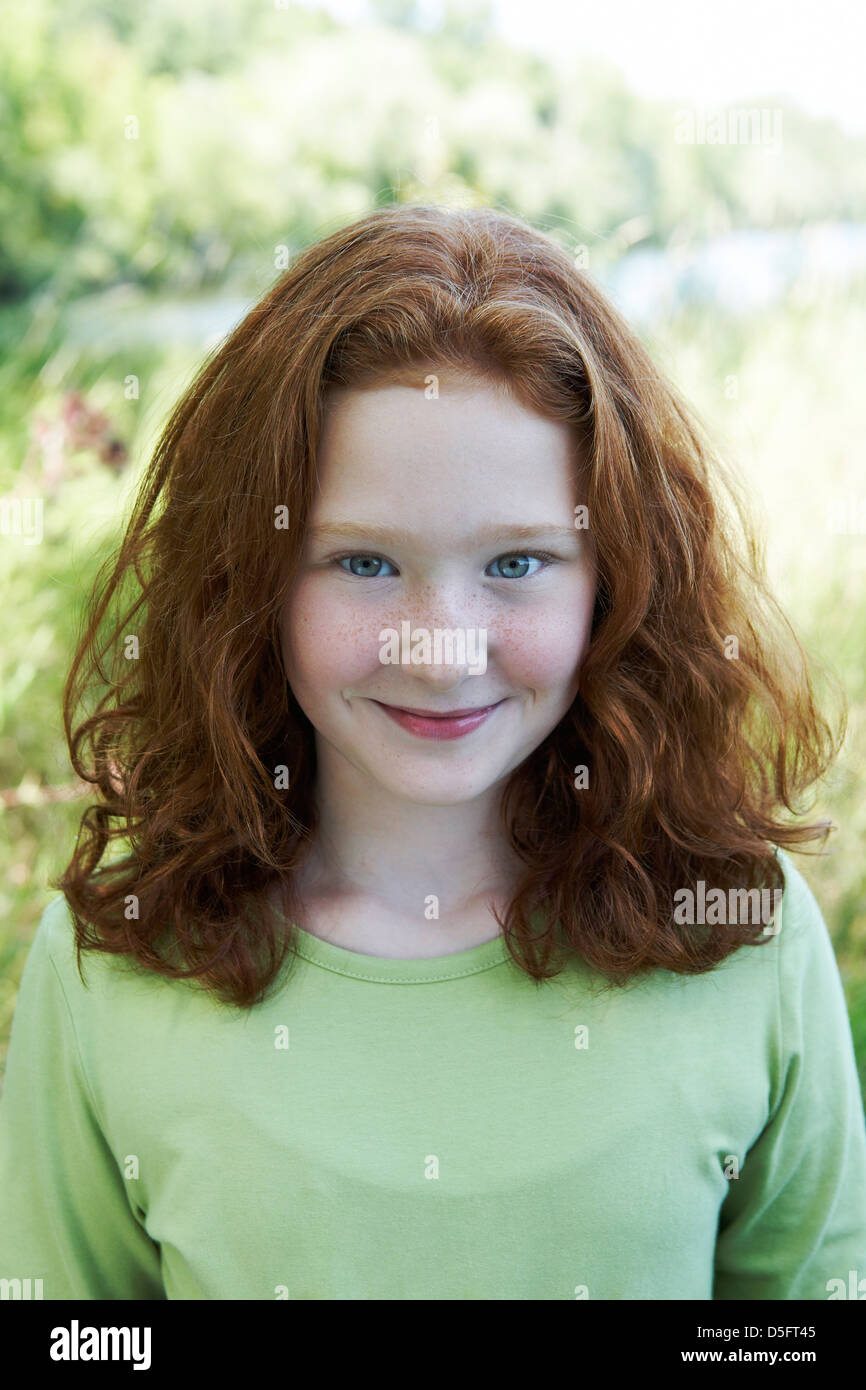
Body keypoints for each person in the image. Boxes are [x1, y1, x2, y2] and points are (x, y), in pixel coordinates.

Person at [1, 203, 864, 1300]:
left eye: (516, 562)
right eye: (361, 563)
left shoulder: (744, 931)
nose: (442, 647)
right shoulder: (110, 962)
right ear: (244, 578)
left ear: (619, 579)